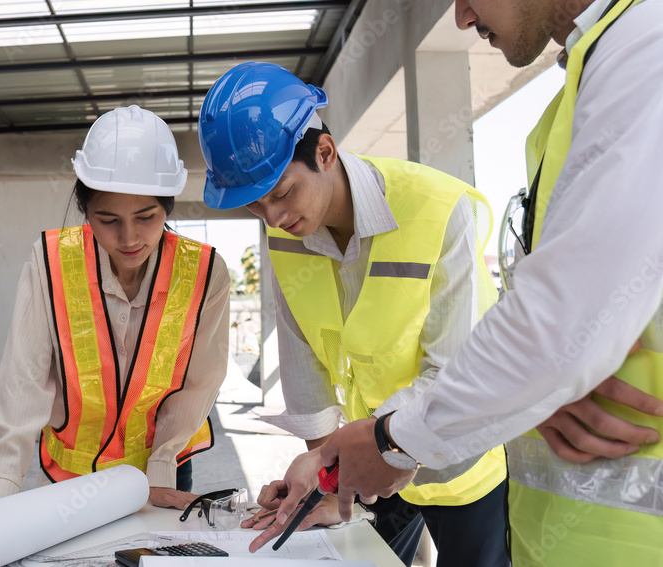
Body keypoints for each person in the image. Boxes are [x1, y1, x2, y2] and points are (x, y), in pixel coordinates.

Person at [256, 1, 663, 565]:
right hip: (518, 499)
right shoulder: (581, 85)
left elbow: (560, 330)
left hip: (469, 470)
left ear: (324, 154)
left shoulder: (643, 49)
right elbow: (561, 340)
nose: (461, 18)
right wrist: (333, 463)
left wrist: (386, 440)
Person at [197, 61, 509, 567]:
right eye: (255, 205)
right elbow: (304, 366)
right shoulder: (287, 237)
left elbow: (455, 372)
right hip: (366, 461)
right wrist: (324, 476)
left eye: (281, 194)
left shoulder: (440, 210)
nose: (273, 218)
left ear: (325, 152)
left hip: (455, 465)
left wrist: (344, 456)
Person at [0, 105, 231, 510]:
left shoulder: (205, 273)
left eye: (146, 216)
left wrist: (160, 472)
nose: (129, 237)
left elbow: (200, 381)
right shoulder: (50, 263)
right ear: (85, 211)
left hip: (164, 462)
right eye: (108, 219)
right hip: (74, 471)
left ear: (168, 206)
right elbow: (22, 382)